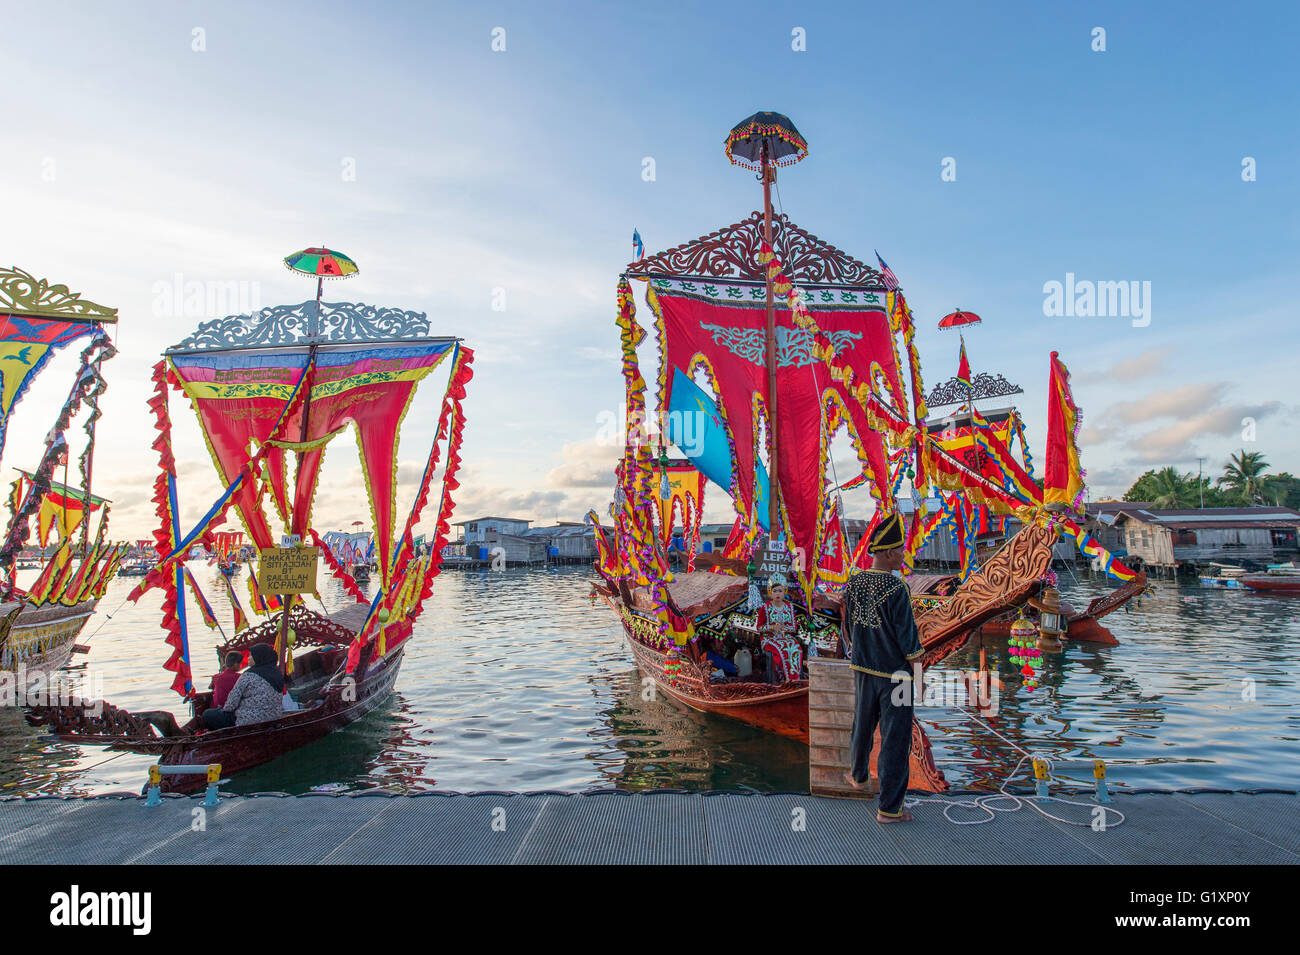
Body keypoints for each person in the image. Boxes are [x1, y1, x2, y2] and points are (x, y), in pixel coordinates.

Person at [840, 512, 924, 824]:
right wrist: (922, 677)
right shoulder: (897, 589)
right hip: (897, 677)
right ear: (888, 553)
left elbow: (848, 624)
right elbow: (910, 641)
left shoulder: (855, 582)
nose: (904, 555)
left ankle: (859, 777)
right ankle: (890, 809)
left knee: (861, 726)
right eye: (901, 550)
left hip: (863, 668)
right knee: (895, 738)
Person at [201, 643, 285, 730]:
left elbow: (231, 704)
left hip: (247, 721)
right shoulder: (277, 673)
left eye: (251, 656)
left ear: (258, 657)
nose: (248, 658)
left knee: (208, 714)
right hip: (274, 717)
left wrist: (224, 711)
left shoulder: (248, 675)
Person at [757, 573, 803, 683]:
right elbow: (759, 627)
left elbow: (794, 627)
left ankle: (794, 679)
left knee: (796, 648)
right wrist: (772, 627)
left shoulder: (789, 607)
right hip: (769, 638)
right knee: (782, 649)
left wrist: (784, 628)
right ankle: (785, 679)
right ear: (770, 593)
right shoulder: (765, 607)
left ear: (784, 592)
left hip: (785, 636)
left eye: (780, 591)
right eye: (775, 591)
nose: (777, 593)